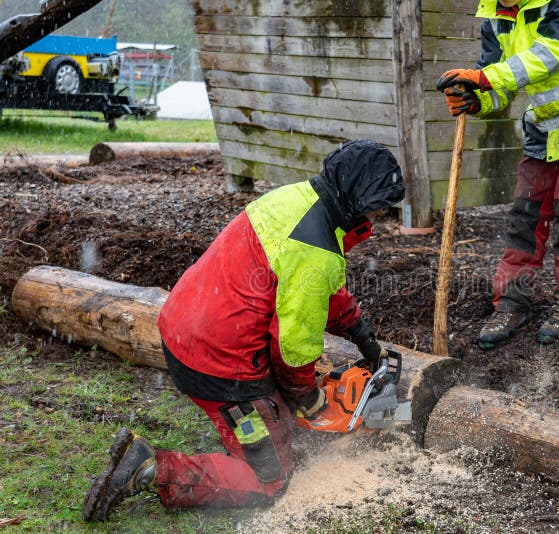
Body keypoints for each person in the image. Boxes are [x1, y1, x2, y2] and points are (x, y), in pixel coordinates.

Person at [83, 140, 405, 521]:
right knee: (268, 478)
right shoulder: (315, 251)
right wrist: (306, 395)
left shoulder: (296, 199)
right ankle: (151, 467)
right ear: (356, 197)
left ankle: (262, 414)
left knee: (282, 418)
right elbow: (294, 348)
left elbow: (313, 283)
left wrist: (359, 330)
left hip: (184, 326)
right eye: (377, 204)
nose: (380, 213)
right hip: (220, 364)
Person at [436, 0, 559, 347]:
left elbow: (547, 56)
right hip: (544, 121)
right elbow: (500, 85)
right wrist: (477, 99)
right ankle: (512, 303)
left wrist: (484, 78)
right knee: (525, 215)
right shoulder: (495, 18)